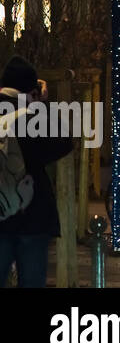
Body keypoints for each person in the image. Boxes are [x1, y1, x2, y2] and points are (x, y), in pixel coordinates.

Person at [0, 56, 75, 287]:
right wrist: (40, 104)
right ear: (31, 90)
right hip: (33, 218)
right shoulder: (32, 117)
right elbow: (63, 142)